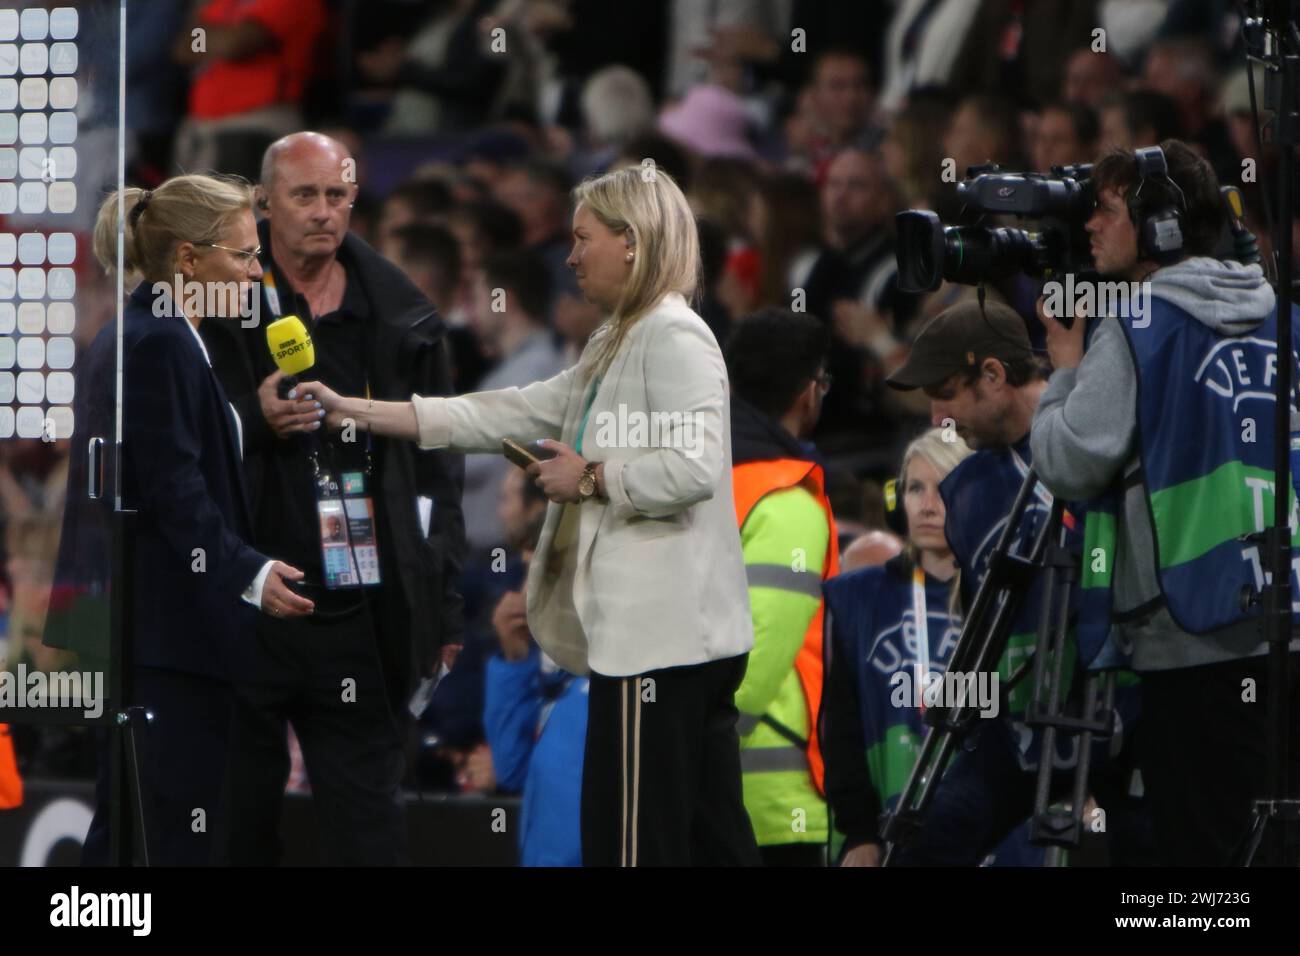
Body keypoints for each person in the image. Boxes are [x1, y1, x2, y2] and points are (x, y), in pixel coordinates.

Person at [300, 165, 761, 867]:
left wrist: (593, 477)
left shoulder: (671, 335)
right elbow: (510, 409)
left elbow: (696, 468)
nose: (570, 257)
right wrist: (364, 411)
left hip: (657, 649)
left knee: (635, 848)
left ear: (631, 242)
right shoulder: (621, 338)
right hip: (660, 648)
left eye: (583, 239)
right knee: (711, 842)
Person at [198, 131, 467, 866]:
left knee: (370, 833)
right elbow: (165, 449)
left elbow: (438, 471)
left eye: (338, 195)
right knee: (233, 831)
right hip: (241, 607)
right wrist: (252, 420)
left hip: (358, 612)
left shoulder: (402, 319)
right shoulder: (209, 298)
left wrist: (441, 604)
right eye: (304, 195)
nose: (324, 212)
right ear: (263, 203)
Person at [1031, 139, 1300, 865]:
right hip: (1286, 622)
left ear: (1163, 227)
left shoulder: (1136, 325)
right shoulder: (1283, 316)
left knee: (1202, 861)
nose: (1089, 225)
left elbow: (1070, 461)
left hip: (1187, 637)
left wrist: (1063, 375)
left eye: (1108, 210)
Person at [77, 175, 313, 865]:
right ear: (188, 260)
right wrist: (247, 570)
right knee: (158, 837)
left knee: (134, 831)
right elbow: (172, 484)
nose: (255, 271)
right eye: (241, 256)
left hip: (157, 637)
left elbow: (172, 460)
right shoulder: (161, 342)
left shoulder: (157, 333)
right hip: (166, 640)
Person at [882, 299, 1140, 865]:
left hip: (1112, 718)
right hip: (1014, 732)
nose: (935, 417)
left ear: (994, 376)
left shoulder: (1101, 443)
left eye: (944, 392)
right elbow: (985, 632)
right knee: (914, 839)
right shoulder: (969, 491)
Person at [822, 428, 971, 866]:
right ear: (897, 501)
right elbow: (842, 725)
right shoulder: (858, 598)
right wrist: (859, 833)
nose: (927, 505)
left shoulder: (1004, 594)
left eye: (943, 489)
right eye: (915, 488)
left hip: (990, 828)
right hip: (888, 832)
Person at [724, 308, 837, 866]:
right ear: (806, 393)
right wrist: (707, 754)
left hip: (717, 794)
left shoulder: (695, 478)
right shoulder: (788, 500)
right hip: (773, 800)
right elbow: (761, 650)